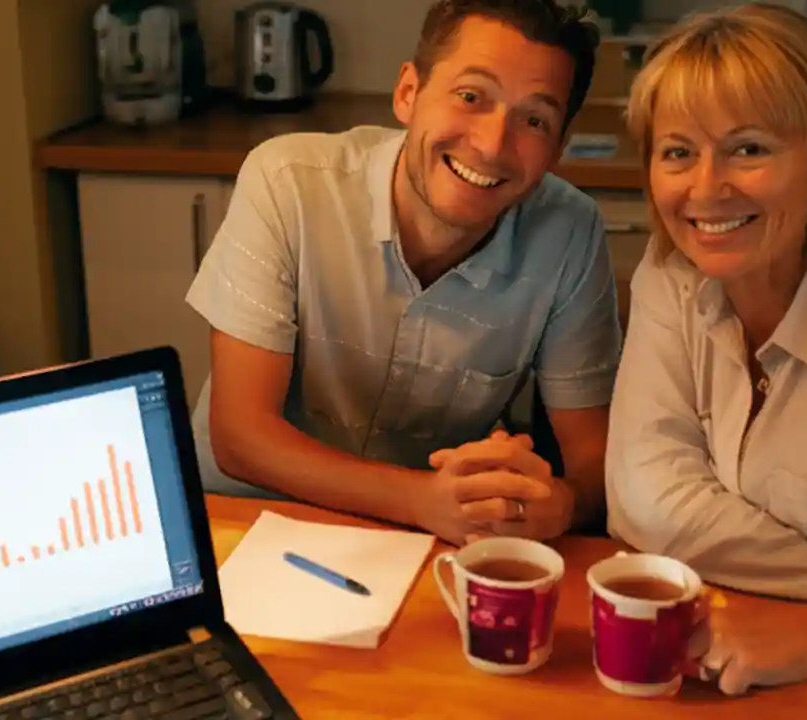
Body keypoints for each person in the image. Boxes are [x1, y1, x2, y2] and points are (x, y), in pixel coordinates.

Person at [185, 0, 622, 547]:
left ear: (557, 149)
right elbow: (240, 437)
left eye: (533, 120)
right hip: (239, 518)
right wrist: (419, 498)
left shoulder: (570, 232)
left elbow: (595, 462)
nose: (490, 145)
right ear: (408, 94)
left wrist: (559, 503)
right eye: (470, 97)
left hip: (414, 539)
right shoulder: (288, 182)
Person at [606, 3, 807, 696]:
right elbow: (647, 503)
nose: (705, 188)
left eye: (748, 148)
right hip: (745, 647)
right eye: (678, 152)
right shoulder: (672, 277)